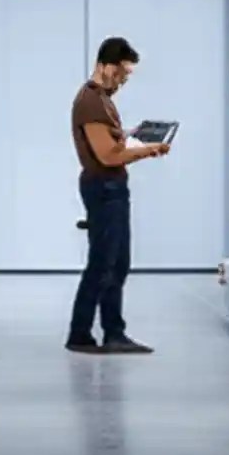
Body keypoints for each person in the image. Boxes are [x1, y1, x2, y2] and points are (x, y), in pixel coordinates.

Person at [67, 37, 170, 354]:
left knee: (116, 262)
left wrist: (129, 136)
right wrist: (148, 149)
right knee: (103, 264)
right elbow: (108, 156)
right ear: (105, 66)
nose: (123, 80)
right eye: (122, 73)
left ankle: (109, 332)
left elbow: (109, 143)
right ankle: (85, 334)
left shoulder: (101, 99)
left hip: (107, 187)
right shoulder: (91, 102)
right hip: (105, 188)